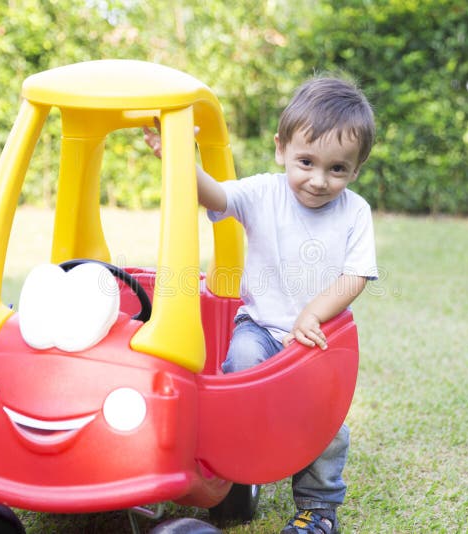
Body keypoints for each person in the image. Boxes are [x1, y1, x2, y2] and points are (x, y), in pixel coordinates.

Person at [144, 75, 378, 534]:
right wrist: (179, 158)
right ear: (281, 149)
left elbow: (355, 275)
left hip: (318, 337)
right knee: (241, 373)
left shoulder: (355, 212)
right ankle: (237, 466)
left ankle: (317, 509)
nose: (318, 180)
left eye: (337, 169)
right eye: (306, 162)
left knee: (325, 425)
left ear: (356, 169)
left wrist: (312, 314)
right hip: (260, 326)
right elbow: (215, 194)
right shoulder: (264, 193)